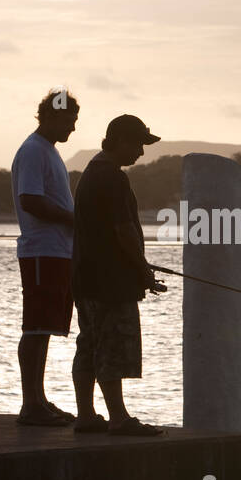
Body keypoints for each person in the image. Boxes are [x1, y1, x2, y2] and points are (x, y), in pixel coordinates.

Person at [71, 114, 168, 435]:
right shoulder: (112, 178)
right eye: (139, 143)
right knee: (111, 345)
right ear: (121, 140)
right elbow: (123, 230)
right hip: (110, 281)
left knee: (89, 344)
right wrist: (143, 268)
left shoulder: (91, 174)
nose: (141, 152)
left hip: (86, 277)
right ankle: (119, 418)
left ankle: (86, 415)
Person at [11, 88, 79, 426]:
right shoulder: (33, 151)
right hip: (41, 250)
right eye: (70, 120)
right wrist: (73, 219)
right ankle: (30, 404)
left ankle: (39, 399)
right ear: (51, 116)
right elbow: (30, 200)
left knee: (47, 326)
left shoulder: (48, 151)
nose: (73, 128)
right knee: (36, 327)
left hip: (58, 252)